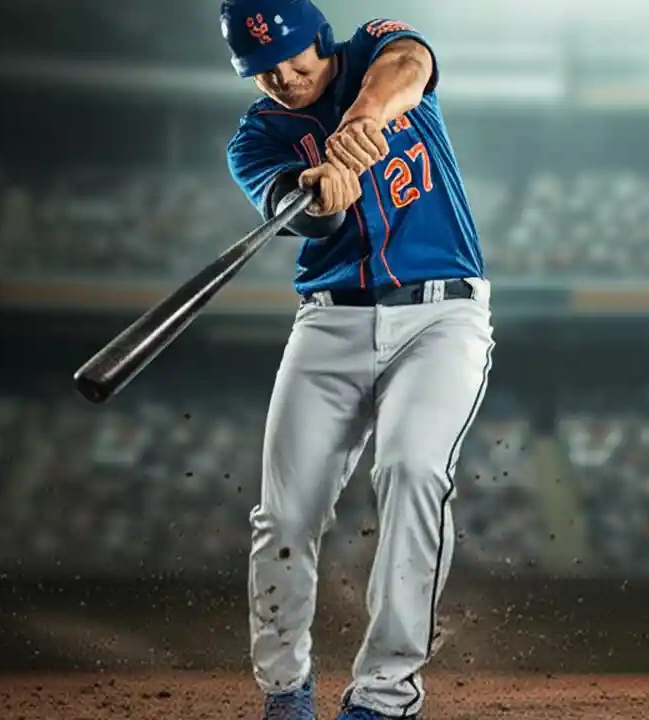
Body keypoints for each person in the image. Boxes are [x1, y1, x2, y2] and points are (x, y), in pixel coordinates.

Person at [221, 1, 494, 717]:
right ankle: (285, 693)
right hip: (329, 323)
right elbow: (300, 209)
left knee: (410, 471)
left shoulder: (375, 45)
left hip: (441, 314)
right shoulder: (254, 139)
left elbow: (410, 67)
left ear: (321, 38)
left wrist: (362, 120)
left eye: (294, 57)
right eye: (261, 69)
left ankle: (384, 697)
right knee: (283, 517)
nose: (282, 76)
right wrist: (319, 193)